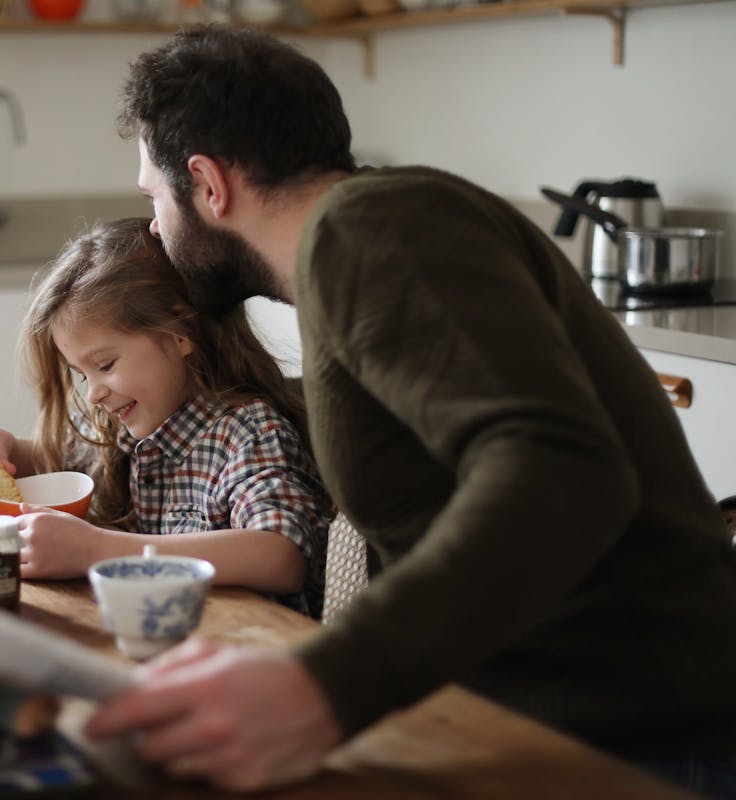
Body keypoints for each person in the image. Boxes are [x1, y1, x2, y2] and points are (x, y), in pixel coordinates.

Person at [83, 24, 736, 795]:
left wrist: (321, 685)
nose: (156, 227)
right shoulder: (363, 244)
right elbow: (382, 426)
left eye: (155, 196)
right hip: (535, 721)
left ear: (208, 183)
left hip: (644, 741)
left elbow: (562, 473)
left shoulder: (371, 231)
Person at [0, 217, 332, 618]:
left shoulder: (249, 434)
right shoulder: (124, 425)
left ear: (180, 332)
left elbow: (283, 555)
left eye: (105, 364)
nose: (94, 392)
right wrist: (8, 450)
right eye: (82, 373)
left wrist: (96, 548)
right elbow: (69, 458)